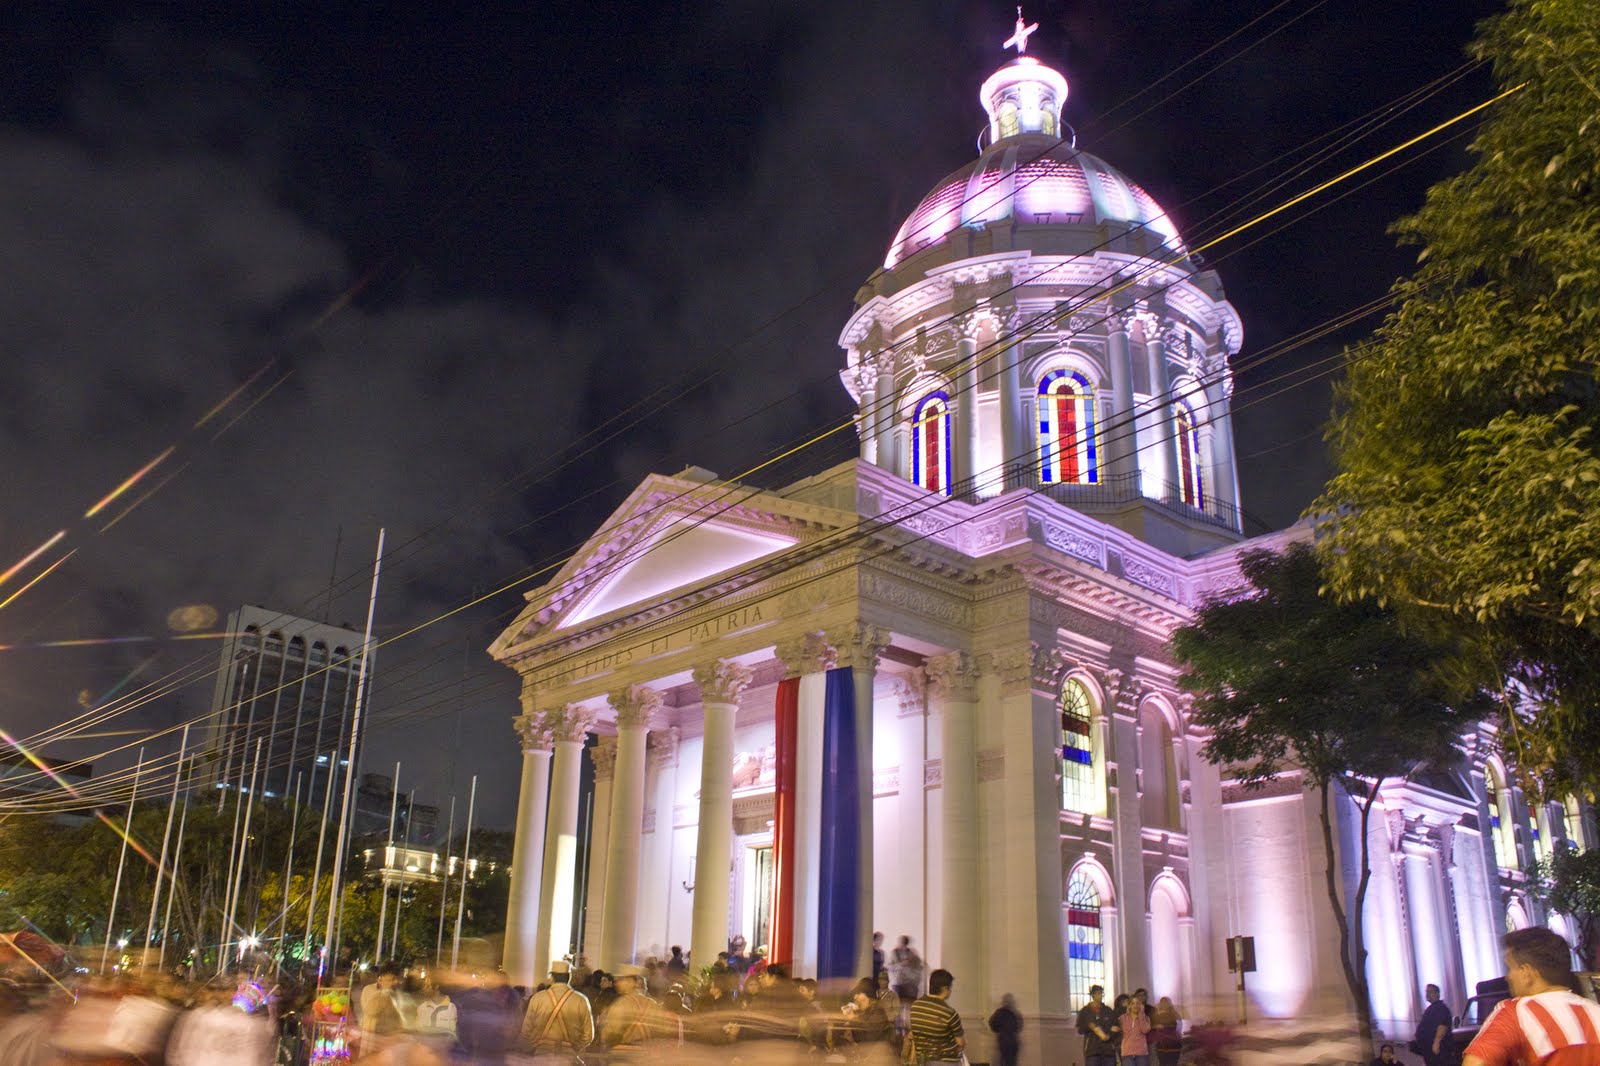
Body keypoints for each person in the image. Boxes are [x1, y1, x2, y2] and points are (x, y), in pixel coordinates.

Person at [1464, 927, 1600, 1066]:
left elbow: (1475, 1063)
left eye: (1510, 968)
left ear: (1526, 973)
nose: (1507, 977)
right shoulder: (1595, 1011)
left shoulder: (1516, 1013)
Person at [518, 959, 594, 1061]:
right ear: (569, 977)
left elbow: (526, 1031)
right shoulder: (581, 1000)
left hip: (541, 1056)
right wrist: (573, 1048)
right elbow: (588, 1035)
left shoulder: (537, 998)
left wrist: (535, 1045)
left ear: (552, 977)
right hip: (567, 1057)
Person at [907, 968, 964, 1064]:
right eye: (950, 988)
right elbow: (960, 1043)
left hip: (922, 1060)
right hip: (946, 1061)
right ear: (945, 988)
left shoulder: (915, 1006)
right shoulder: (949, 1013)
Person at [1077, 984, 1119, 1066]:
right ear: (1092, 995)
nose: (1099, 995)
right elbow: (1080, 1029)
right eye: (1097, 993)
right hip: (1092, 1050)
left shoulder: (1108, 1010)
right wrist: (1089, 1026)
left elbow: (1115, 1028)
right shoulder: (1085, 1011)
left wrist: (1108, 1036)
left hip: (1108, 1050)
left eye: (1101, 993)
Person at [1415, 983, 1453, 1066]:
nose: (1427, 994)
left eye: (1430, 992)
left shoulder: (1441, 1008)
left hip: (1438, 1050)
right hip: (1429, 1050)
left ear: (1437, 994)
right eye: (1426, 992)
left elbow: (1442, 1026)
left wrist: (1436, 1043)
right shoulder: (1431, 1008)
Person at [988, 992, 1022, 1066]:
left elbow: (992, 1023)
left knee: (1005, 1060)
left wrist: (998, 1031)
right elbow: (1019, 1026)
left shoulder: (1000, 1012)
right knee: (1009, 1061)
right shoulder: (1014, 1012)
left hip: (1005, 1039)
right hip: (1010, 1040)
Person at [1121, 989, 1153, 1066]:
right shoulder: (1122, 1018)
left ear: (1141, 1005)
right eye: (1133, 1003)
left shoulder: (1146, 1018)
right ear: (1129, 1006)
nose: (1135, 1006)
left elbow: (1145, 1030)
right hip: (1127, 1053)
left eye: (1137, 1003)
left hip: (1141, 1053)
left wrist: (1141, 1014)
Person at [890, 936, 925, 1004]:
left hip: (910, 983)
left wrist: (917, 979)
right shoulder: (894, 953)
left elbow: (919, 966)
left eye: (905, 944)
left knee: (911, 1003)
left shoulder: (912, 953)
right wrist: (900, 965)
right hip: (898, 982)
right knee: (898, 1005)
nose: (903, 947)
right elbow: (890, 967)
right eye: (902, 944)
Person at [1151, 996, 1183, 1066]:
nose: (1164, 1004)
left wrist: (1164, 1027)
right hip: (1161, 1046)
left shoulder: (1175, 1015)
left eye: (1166, 1002)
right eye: (1162, 1003)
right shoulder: (1156, 1015)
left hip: (1174, 1045)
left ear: (1169, 1004)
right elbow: (1152, 1028)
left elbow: (1178, 1028)